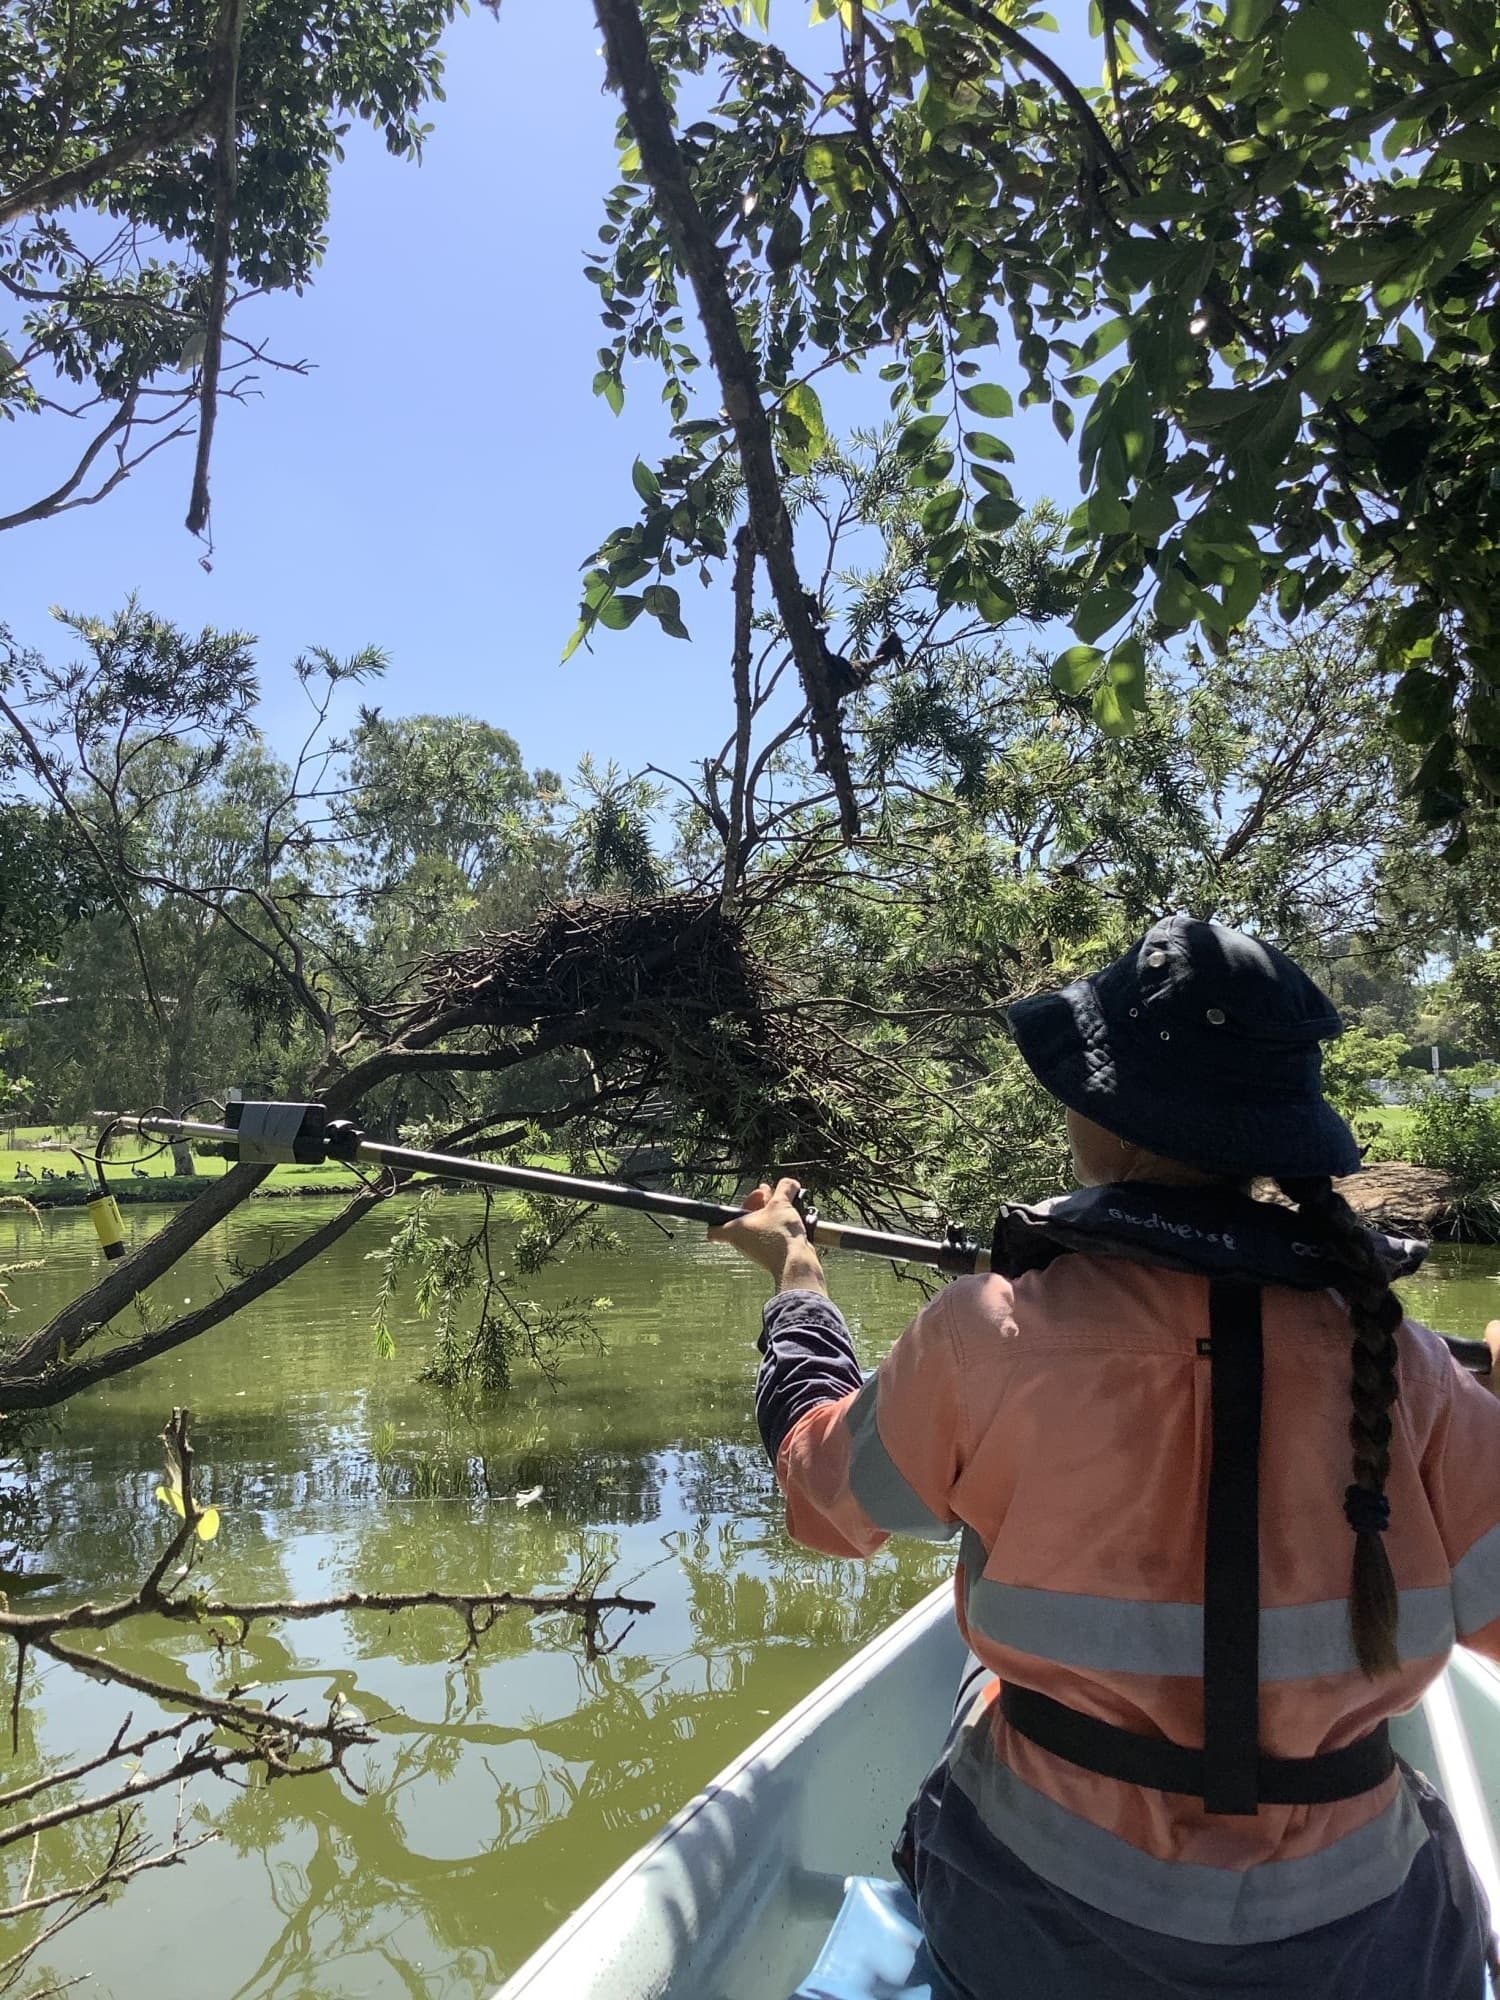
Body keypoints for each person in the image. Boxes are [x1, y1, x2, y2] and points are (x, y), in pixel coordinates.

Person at [710, 916, 1500, 2000]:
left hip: (1036, 1928)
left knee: (982, 1667)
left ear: (1108, 1117)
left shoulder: (985, 1332)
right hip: (1360, 1943)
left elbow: (822, 1505)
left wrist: (798, 1280)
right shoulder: (1412, 1368)